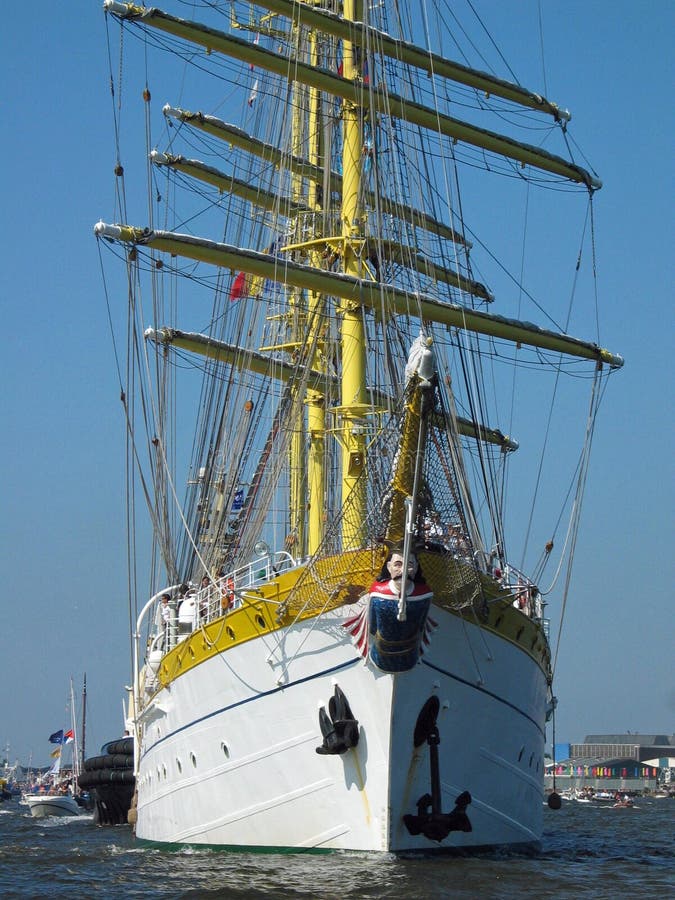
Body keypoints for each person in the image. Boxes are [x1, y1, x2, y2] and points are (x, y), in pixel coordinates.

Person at [367, 548, 433, 672]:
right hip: (382, 653)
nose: (402, 571)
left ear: (416, 568)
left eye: (409, 565)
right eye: (397, 565)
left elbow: (373, 627)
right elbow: (372, 626)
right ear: (388, 567)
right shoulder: (378, 594)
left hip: (409, 654)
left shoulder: (424, 595)